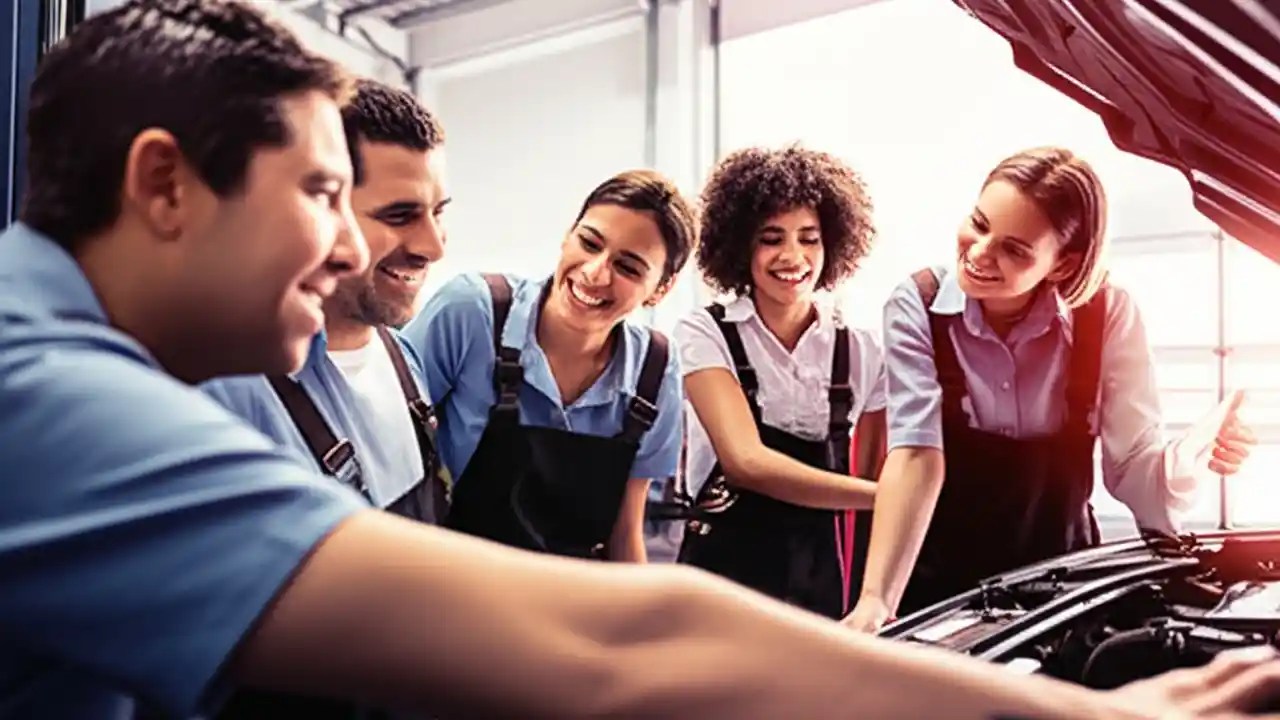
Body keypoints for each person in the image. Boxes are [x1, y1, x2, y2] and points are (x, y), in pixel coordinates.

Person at [5, 3, 1280, 718]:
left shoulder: (132, 364)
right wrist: (1091, 716)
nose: (364, 251)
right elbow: (618, 644)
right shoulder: (46, 404)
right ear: (163, 187)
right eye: (324, 196)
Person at [845, 146, 1259, 631]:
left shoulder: (1108, 314)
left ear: (1063, 265)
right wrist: (876, 599)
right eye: (979, 224)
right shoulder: (915, 304)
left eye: (1015, 249)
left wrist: (1197, 452)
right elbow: (917, 453)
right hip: (940, 586)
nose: (979, 253)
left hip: (1063, 587)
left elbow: (1133, 471)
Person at [400, 170, 691, 563]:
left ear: (661, 288)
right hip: (453, 577)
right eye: (589, 243)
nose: (595, 272)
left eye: (628, 267)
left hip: (567, 596)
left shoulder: (655, 373)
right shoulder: (472, 312)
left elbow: (625, 535)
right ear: (567, 235)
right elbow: (386, 446)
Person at [203, 78, 451, 526]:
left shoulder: (404, 359)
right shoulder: (227, 391)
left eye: (439, 212)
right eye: (400, 215)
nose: (433, 247)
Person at [674, 146, 884, 618]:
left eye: (809, 238)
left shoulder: (865, 350)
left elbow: (874, 465)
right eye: (772, 238)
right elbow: (746, 462)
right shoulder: (706, 332)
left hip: (828, 589)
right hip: (721, 590)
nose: (793, 256)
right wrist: (890, 498)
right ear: (739, 246)